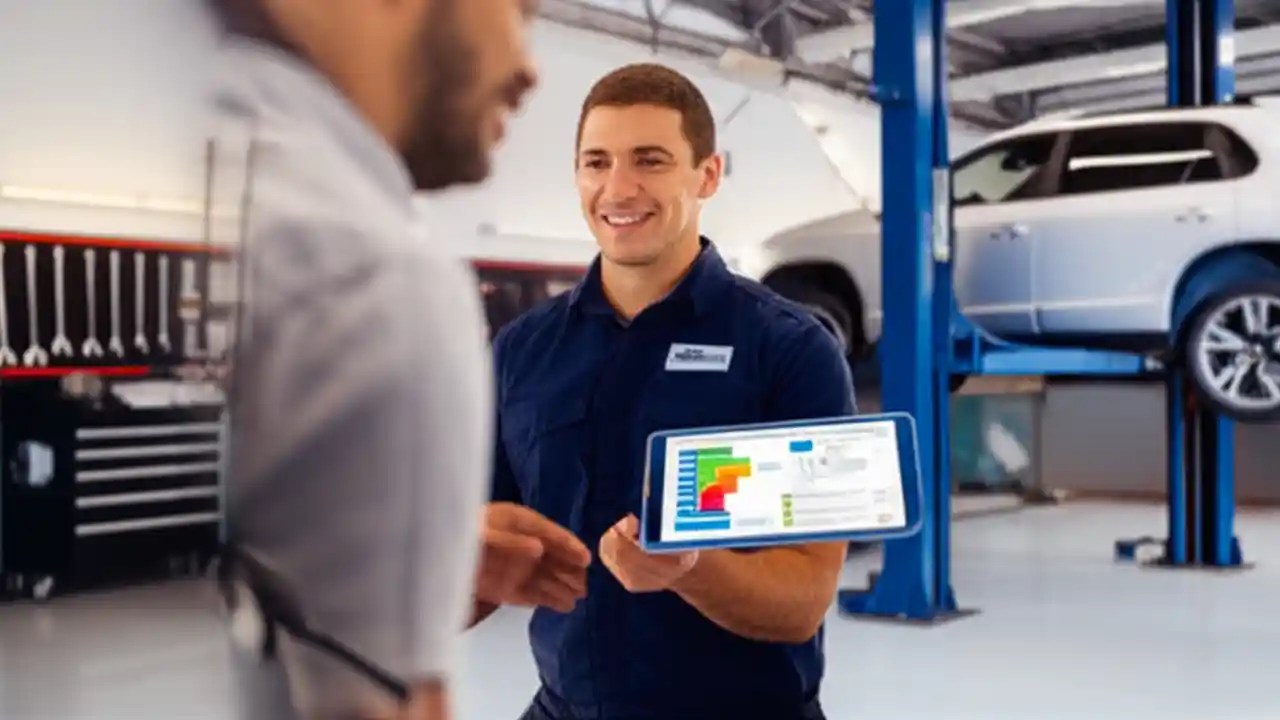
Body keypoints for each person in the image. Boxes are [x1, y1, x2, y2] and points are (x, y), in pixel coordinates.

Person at [206, 1, 592, 718]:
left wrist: (438, 546)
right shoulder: (381, 276)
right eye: (522, 10)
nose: (530, 68)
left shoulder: (225, 145)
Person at [480, 62, 856, 720]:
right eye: (596, 162)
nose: (618, 188)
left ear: (706, 175)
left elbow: (803, 599)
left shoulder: (790, 352)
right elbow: (479, 563)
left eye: (649, 161)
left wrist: (690, 569)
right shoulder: (520, 353)